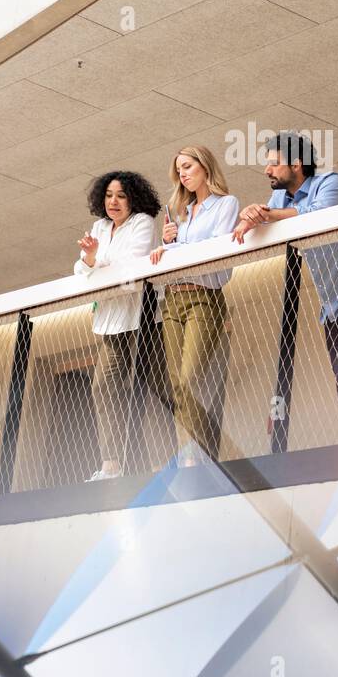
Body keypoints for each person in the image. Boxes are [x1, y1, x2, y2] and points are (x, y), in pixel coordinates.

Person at [232, 132, 338, 443]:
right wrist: (250, 218)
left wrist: (266, 215)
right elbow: (265, 220)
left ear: (295, 164)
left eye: (273, 164)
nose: (267, 171)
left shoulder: (330, 181)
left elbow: (316, 215)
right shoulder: (279, 198)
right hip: (332, 306)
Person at [150, 147, 239, 466]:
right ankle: (189, 457)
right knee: (176, 385)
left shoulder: (226, 204)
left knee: (191, 379)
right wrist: (168, 245)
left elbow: (216, 248)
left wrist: (179, 249)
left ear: (205, 166)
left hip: (204, 297)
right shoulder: (179, 211)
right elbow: (174, 258)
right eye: (179, 170)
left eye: (188, 167)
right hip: (172, 299)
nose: (183, 174)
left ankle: (203, 456)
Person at [75, 170, 160, 480]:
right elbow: (80, 270)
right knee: (103, 387)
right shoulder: (99, 227)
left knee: (152, 391)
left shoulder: (143, 222)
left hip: (144, 319)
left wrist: (97, 263)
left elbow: (131, 265)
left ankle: (160, 465)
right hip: (110, 324)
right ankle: (112, 465)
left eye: (121, 196)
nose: (114, 201)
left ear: (133, 199)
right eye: (109, 195)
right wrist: (92, 259)